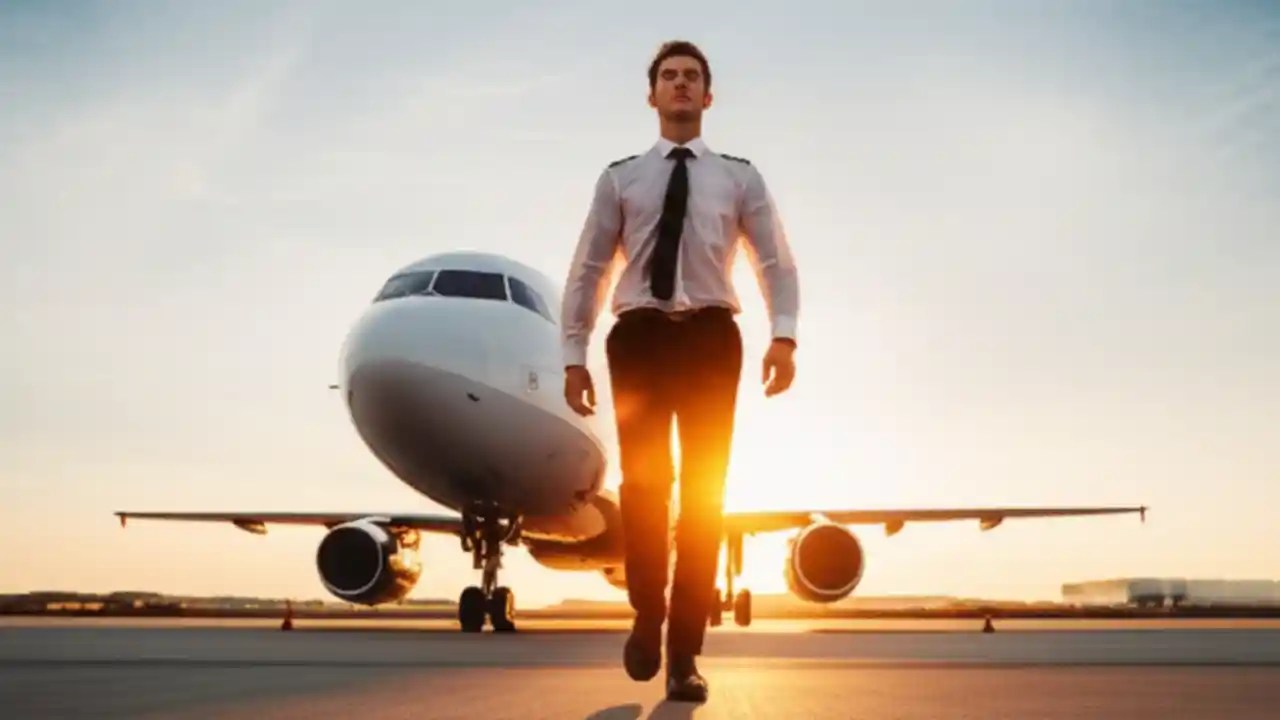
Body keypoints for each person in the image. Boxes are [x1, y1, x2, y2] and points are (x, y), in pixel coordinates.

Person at [560, 39, 799, 703]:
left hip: (710, 340)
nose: (681, 85)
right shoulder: (620, 178)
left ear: (708, 95)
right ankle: (647, 613)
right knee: (643, 488)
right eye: (670, 76)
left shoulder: (739, 177)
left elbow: (774, 261)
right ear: (653, 95)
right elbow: (587, 269)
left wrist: (784, 337)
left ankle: (685, 653)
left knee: (703, 496)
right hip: (635, 339)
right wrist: (572, 354)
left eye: (692, 77)